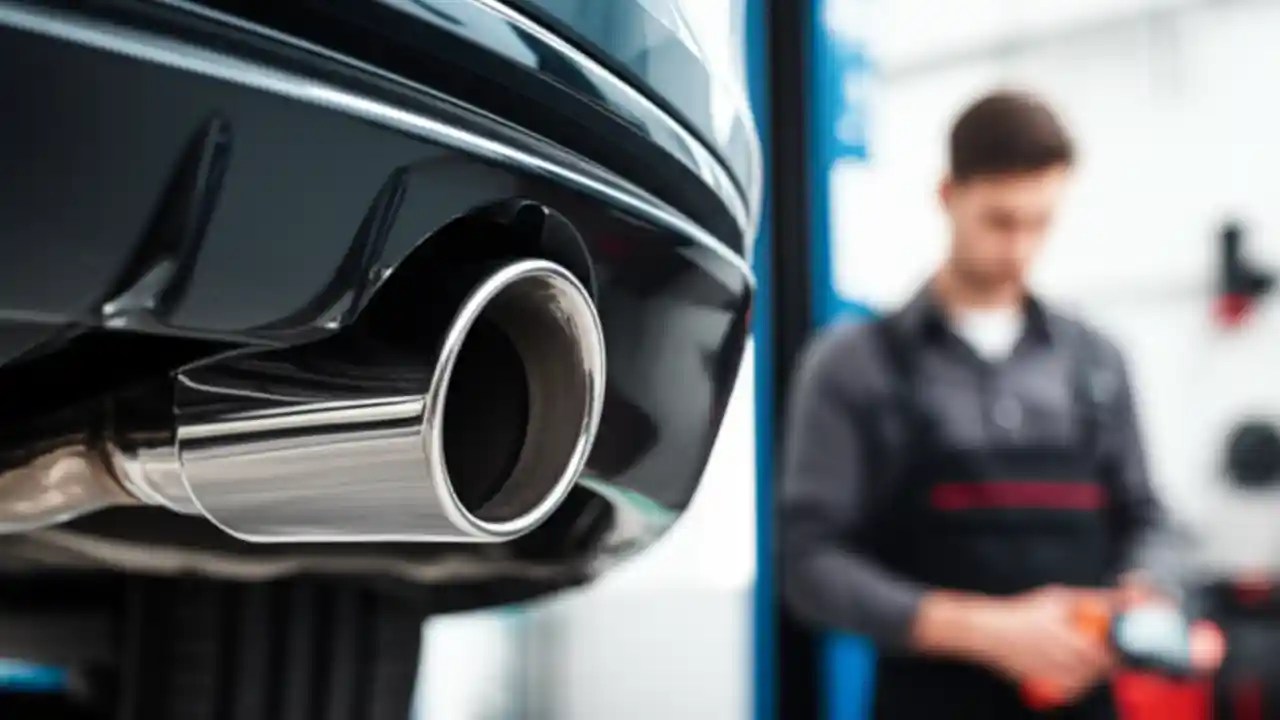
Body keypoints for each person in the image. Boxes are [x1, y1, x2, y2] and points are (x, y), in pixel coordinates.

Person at [780, 90, 1168, 719]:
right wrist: (991, 632)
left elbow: (1149, 521)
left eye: (1040, 222)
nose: (1019, 249)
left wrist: (1138, 599)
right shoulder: (853, 367)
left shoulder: (1098, 363)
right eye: (1000, 221)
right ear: (947, 195)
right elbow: (810, 568)